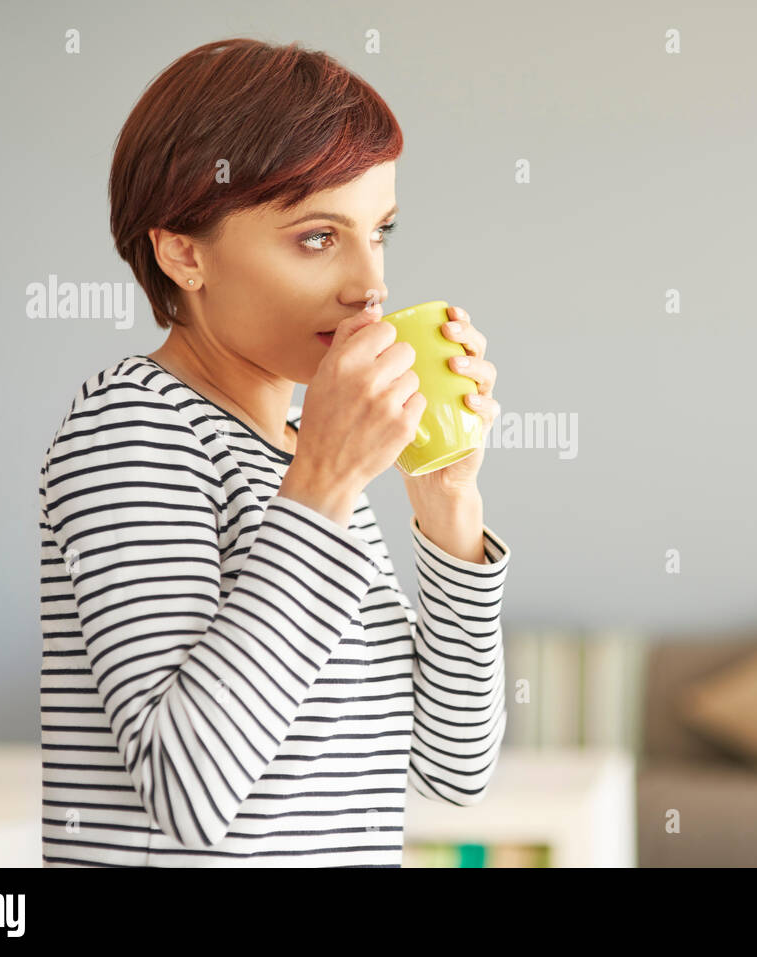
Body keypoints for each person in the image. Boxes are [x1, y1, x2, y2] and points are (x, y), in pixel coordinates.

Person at [37, 37, 510, 866]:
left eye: (380, 231)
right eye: (318, 238)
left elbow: (454, 768)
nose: (371, 283)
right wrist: (322, 484)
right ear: (183, 252)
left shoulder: (306, 457)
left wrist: (448, 503)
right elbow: (186, 789)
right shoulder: (130, 426)